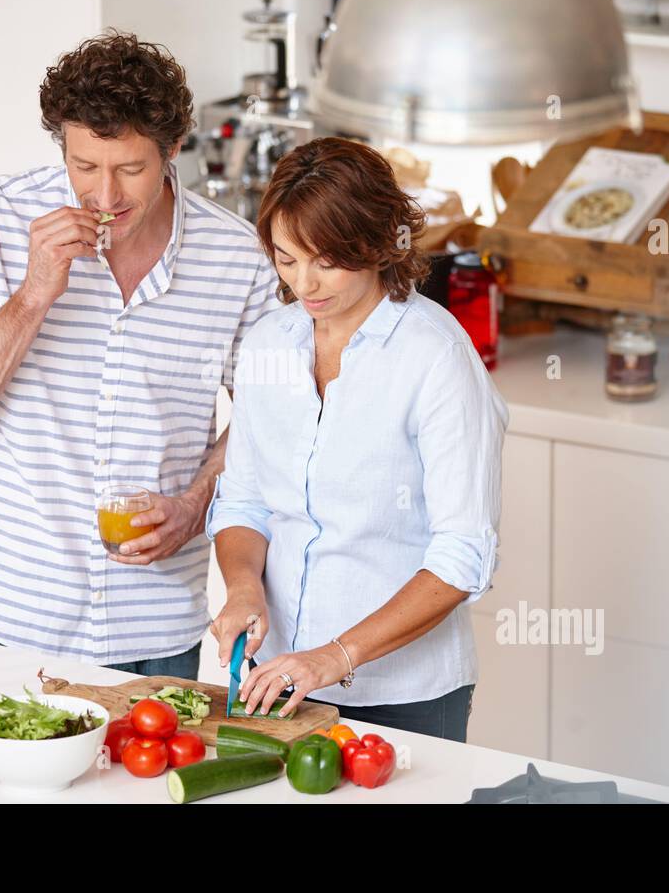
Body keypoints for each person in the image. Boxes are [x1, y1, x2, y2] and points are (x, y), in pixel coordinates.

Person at [0, 31, 280, 677]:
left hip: (155, 627)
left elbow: (265, 423)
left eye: (131, 169)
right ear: (63, 146)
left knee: (147, 782)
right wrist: (32, 297)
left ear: (173, 152)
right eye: (84, 166)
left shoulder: (238, 257)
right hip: (6, 615)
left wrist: (194, 506)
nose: (104, 197)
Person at [206, 137, 508, 741]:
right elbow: (244, 502)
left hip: (405, 696)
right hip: (277, 681)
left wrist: (332, 657)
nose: (305, 283)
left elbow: (462, 557)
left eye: (326, 260)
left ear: (376, 244)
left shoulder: (436, 357)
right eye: (286, 258)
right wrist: (243, 590)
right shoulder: (268, 344)